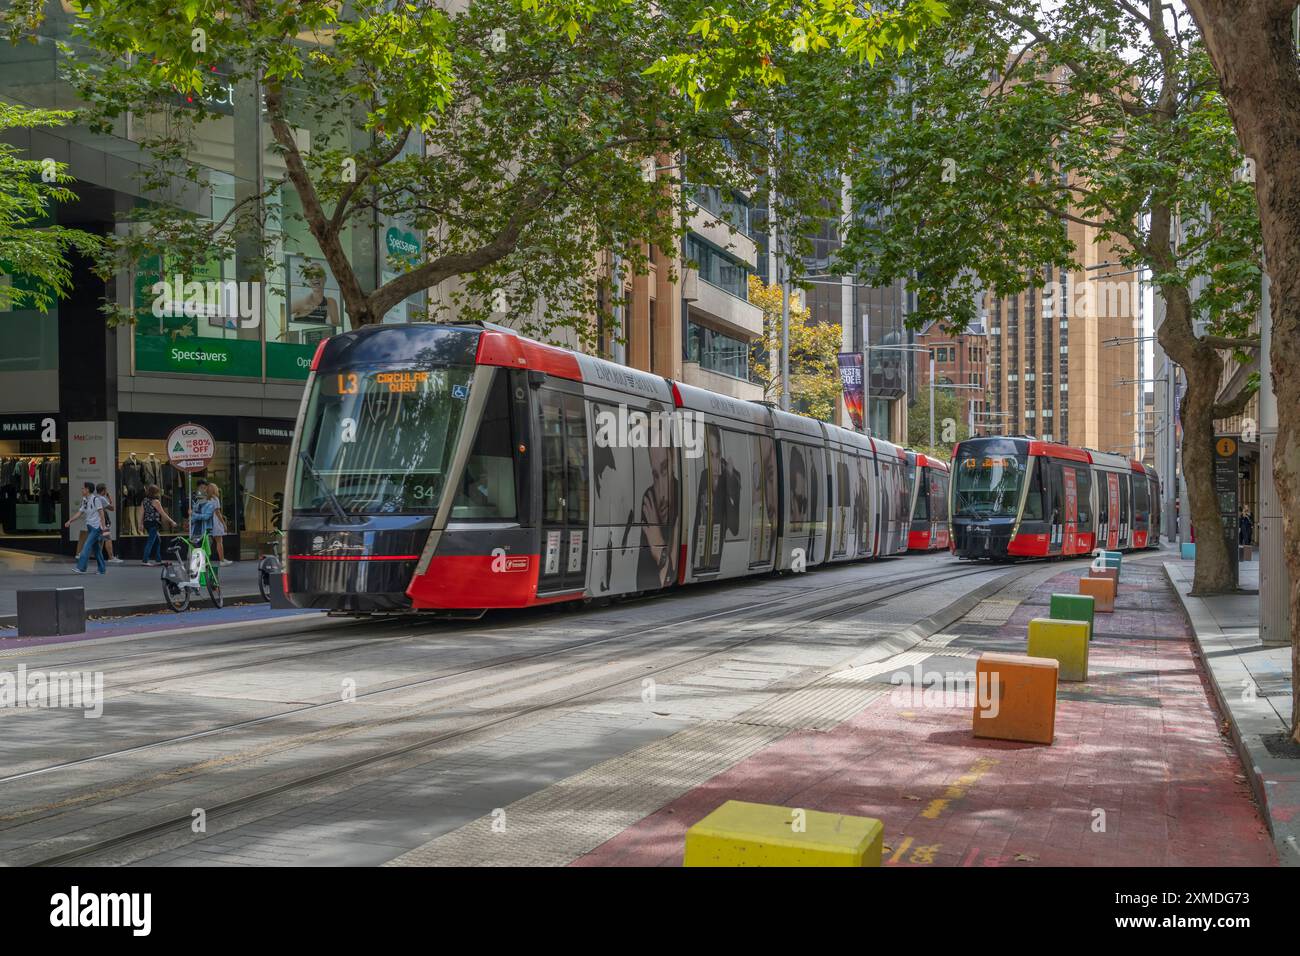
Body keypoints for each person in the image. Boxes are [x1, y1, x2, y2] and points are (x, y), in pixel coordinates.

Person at [65, 481, 107, 575]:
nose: (82, 489)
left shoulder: (96, 499)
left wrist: (103, 527)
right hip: (90, 527)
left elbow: (101, 514)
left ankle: (81, 568)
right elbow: (80, 513)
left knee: (86, 546)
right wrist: (70, 521)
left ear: (87, 489)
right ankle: (102, 569)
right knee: (96, 550)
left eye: (83, 488)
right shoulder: (85, 500)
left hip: (96, 527)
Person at [141, 484, 176, 566]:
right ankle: (145, 560)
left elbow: (141, 513)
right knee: (150, 541)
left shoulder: (144, 501)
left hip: (147, 523)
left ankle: (158, 558)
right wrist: (172, 521)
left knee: (157, 540)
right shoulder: (156, 502)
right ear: (155, 493)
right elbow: (163, 513)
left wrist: (140, 523)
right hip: (153, 523)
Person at [95, 482, 122, 564]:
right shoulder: (102, 499)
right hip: (103, 522)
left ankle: (96, 556)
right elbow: (112, 508)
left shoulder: (95, 497)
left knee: (99, 540)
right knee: (107, 539)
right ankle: (111, 557)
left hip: (96, 522)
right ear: (103, 490)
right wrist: (110, 498)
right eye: (106, 489)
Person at [205, 481, 231, 565]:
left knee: (208, 542)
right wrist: (224, 524)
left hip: (208, 522)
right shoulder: (215, 499)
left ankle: (206, 561)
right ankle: (222, 560)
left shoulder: (206, 499)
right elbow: (218, 513)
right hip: (215, 522)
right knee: (219, 542)